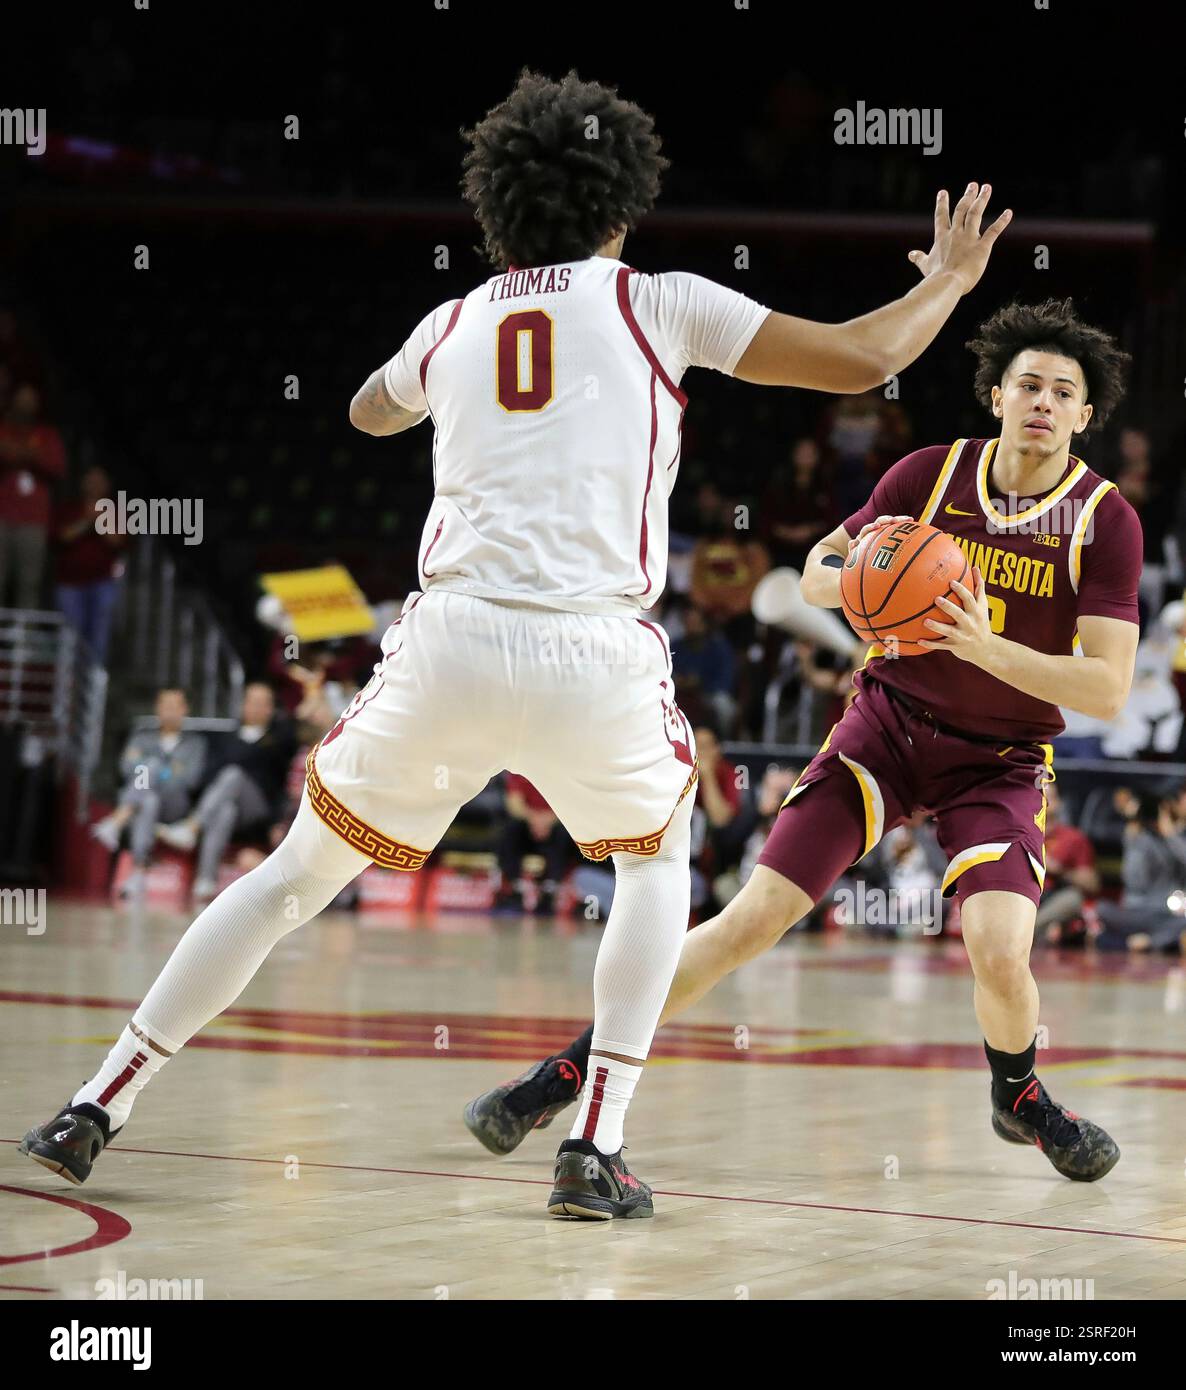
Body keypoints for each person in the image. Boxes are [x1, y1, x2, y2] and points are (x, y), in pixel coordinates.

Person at [21, 71, 1010, 1218]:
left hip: (451, 640)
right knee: (653, 863)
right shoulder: (659, 302)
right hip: (593, 646)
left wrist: (434, 389)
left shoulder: (453, 320)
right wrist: (942, 282)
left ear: (495, 207)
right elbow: (854, 356)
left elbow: (363, 410)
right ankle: (594, 1142)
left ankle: (100, 1098)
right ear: (621, 202)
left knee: (294, 876)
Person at [467, 297, 1140, 1185]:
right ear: (997, 396)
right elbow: (816, 570)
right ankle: (569, 1070)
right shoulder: (929, 478)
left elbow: (1107, 684)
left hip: (1002, 759)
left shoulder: (1103, 520)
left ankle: (1016, 1094)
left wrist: (983, 646)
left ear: (1085, 416)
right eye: (1029, 385)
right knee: (750, 921)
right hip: (889, 727)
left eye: (1064, 392)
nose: (1044, 403)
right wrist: (859, 581)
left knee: (1000, 952)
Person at [155, 683, 296, 902]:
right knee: (225, 810)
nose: (257, 708)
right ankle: (206, 881)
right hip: (228, 809)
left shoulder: (281, 739)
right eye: (252, 702)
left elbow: (274, 777)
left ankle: (192, 827)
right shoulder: (224, 738)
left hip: (260, 811)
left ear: (271, 709)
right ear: (243, 705)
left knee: (233, 774)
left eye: (263, 703)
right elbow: (208, 774)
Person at [91, 688, 207, 899]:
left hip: (175, 805)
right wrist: (169, 771)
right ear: (158, 709)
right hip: (146, 801)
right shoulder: (141, 736)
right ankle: (138, 873)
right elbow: (126, 768)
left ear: (185, 709)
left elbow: (190, 779)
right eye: (166, 706)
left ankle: (117, 820)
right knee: (149, 799)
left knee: (149, 767)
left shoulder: (195, 743)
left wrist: (154, 770)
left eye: (175, 706)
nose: (170, 711)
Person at [0, 383, 66, 608]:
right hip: (1, 516)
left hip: (33, 521)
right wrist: (32, 454)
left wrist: (18, 453)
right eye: (22, 399)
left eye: (31, 400)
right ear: (13, 401)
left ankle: (22, 640)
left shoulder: (48, 435)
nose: (26, 404)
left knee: (29, 584)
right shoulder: (2, 429)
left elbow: (56, 466)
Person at [1094, 794, 1186, 954]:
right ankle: (1153, 941)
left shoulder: (1175, 840)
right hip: (1135, 911)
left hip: (1163, 913)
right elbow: (1134, 879)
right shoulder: (1137, 840)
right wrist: (1133, 829)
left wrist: (1170, 834)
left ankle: (1145, 942)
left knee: (1182, 922)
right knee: (1102, 909)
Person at [53, 464, 126, 662]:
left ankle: (94, 684)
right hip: (69, 584)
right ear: (82, 483)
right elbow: (62, 537)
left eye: (99, 480)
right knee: (70, 637)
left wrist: (99, 521)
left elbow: (119, 540)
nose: (94, 485)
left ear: (108, 485)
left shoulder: (115, 512)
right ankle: (68, 683)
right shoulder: (69, 508)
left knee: (98, 637)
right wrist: (87, 521)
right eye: (91, 480)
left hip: (103, 583)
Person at [494, 774, 572, 917]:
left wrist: (548, 819)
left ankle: (551, 889)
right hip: (528, 825)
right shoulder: (519, 770)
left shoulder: (563, 771)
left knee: (564, 832)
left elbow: (570, 803)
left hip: (554, 823)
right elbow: (513, 803)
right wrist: (533, 818)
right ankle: (516, 888)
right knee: (511, 829)